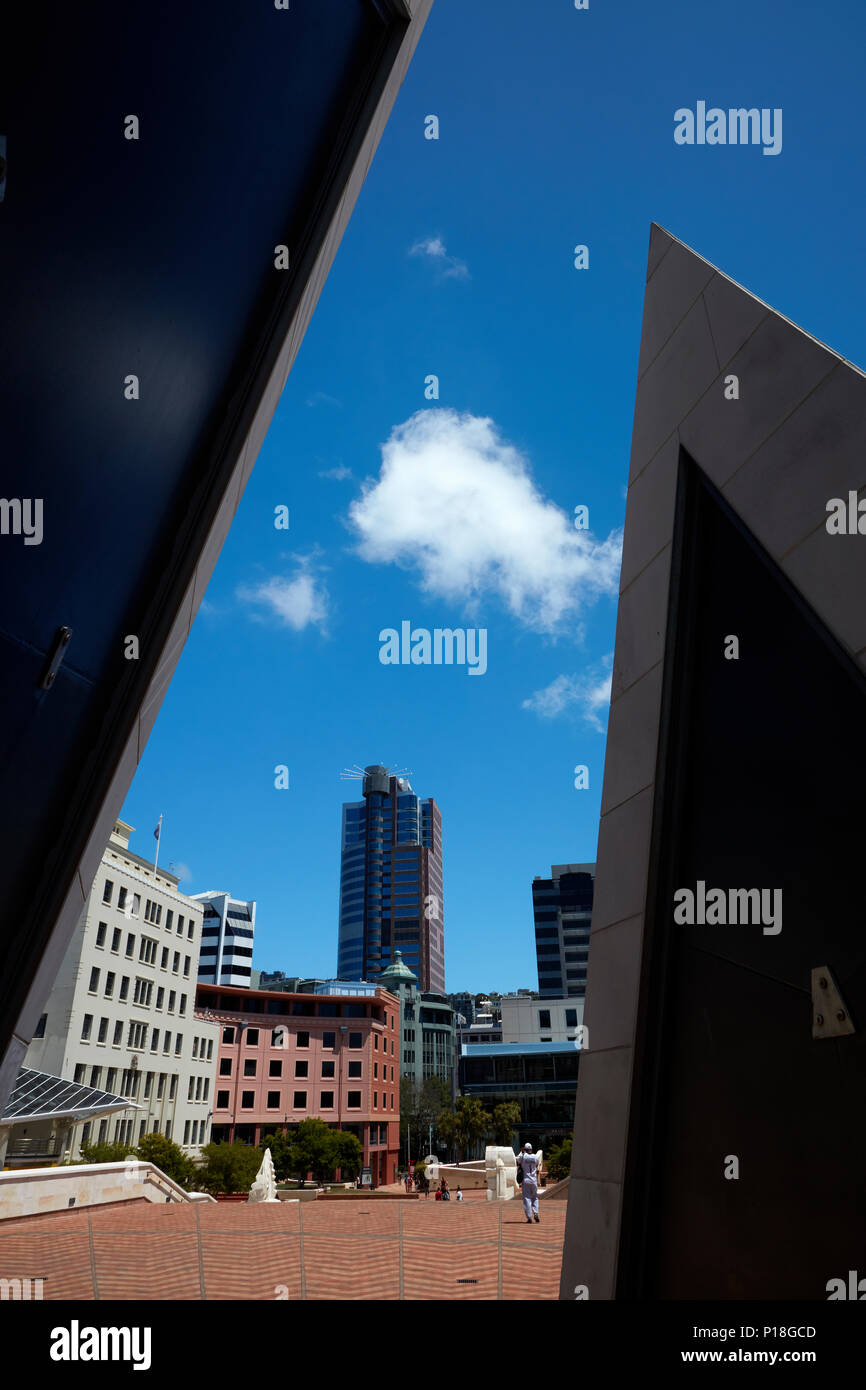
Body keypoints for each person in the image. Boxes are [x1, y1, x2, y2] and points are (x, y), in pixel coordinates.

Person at [519, 1142, 540, 1224]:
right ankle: (536, 1213)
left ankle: (529, 1217)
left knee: (527, 1199)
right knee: (535, 1197)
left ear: (525, 1149)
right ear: (531, 1149)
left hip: (526, 1180)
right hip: (534, 1180)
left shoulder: (523, 1156)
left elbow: (518, 1161)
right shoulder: (535, 1157)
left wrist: (522, 1152)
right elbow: (537, 1164)